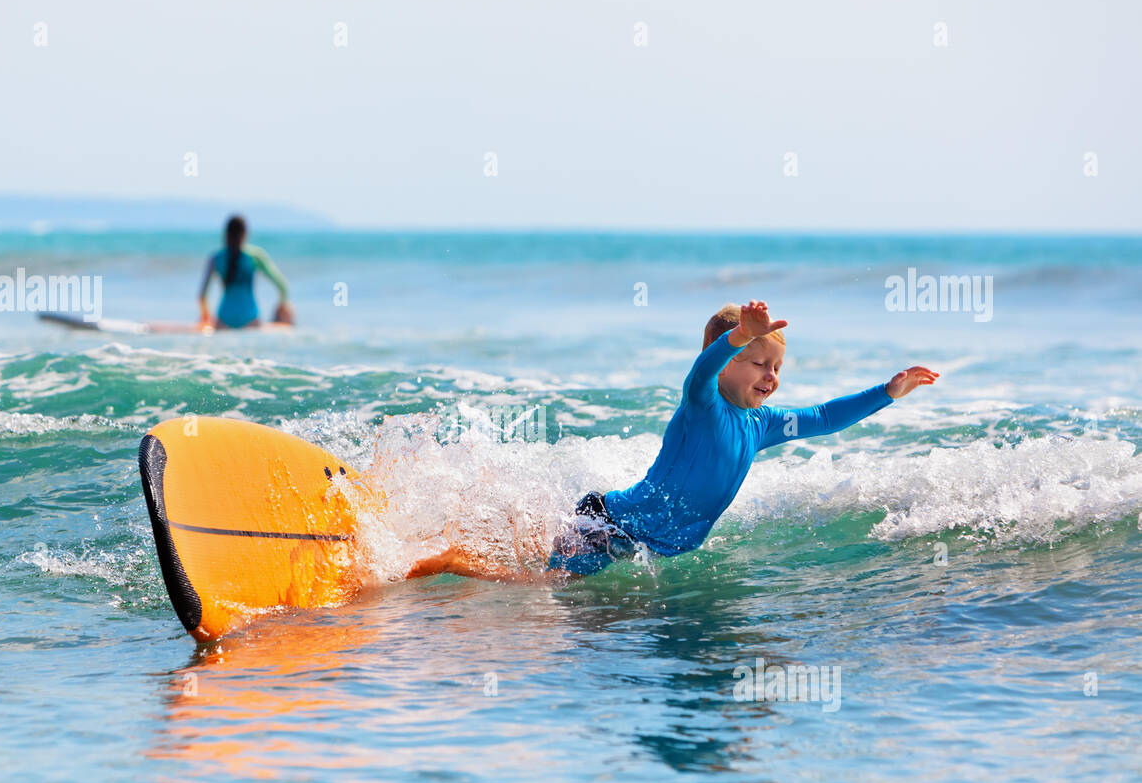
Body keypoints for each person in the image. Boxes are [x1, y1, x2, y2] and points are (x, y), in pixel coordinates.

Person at [407, 299, 938, 581]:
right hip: (609, 526)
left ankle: (474, 555)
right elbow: (699, 373)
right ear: (728, 359)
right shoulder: (702, 405)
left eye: (777, 367)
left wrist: (887, 392)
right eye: (759, 362)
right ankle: (452, 565)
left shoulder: (762, 425)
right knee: (547, 596)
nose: (771, 377)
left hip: (639, 543)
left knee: (570, 600)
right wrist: (737, 336)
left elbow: (824, 416)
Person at [198, 215, 295, 328]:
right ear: (245, 234)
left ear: (226, 234)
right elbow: (282, 285)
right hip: (250, 318)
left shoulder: (215, 258)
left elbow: (202, 296)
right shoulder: (255, 256)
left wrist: (205, 316)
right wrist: (281, 307)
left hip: (224, 318)